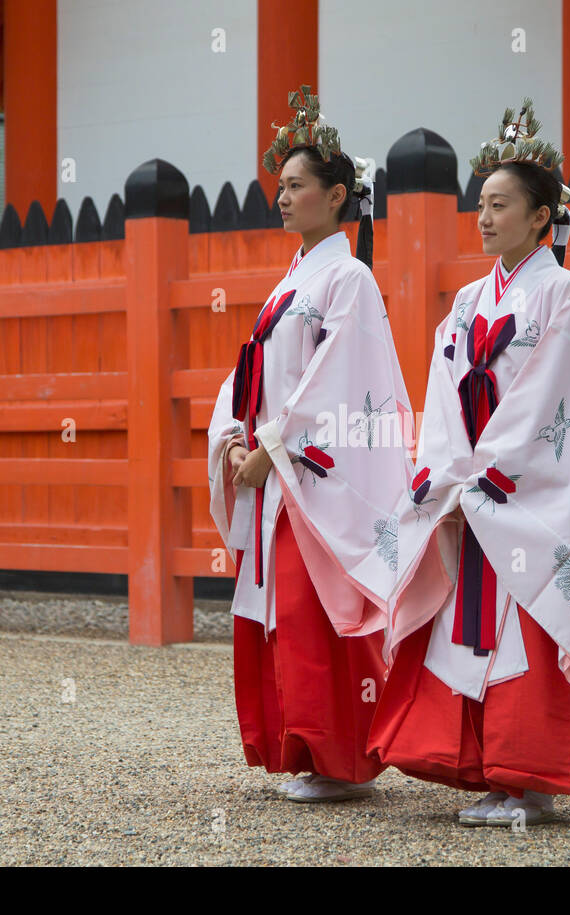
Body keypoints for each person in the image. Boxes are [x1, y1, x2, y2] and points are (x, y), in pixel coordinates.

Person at [366, 99, 570, 826]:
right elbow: (443, 388)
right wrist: (443, 471)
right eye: (483, 204)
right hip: (474, 487)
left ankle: (527, 773)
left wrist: (490, 474)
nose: (485, 217)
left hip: (530, 492)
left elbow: (556, 399)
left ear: (541, 218)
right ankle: (484, 770)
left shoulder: (563, 292)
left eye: (502, 205)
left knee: (529, 618)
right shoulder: (468, 301)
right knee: (470, 629)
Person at [207, 86, 415, 802]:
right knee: (280, 611)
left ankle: (342, 758)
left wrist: (272, 447)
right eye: (282, 185)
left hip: (315, 475)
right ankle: (302, 748)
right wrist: (234, 437)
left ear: (336, 197)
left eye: (297, 186)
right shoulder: (292, 281)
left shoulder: (348, 277)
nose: (284, 197)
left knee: (314, 607)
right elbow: (254, 369)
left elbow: (341, 380)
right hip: (276, 468)